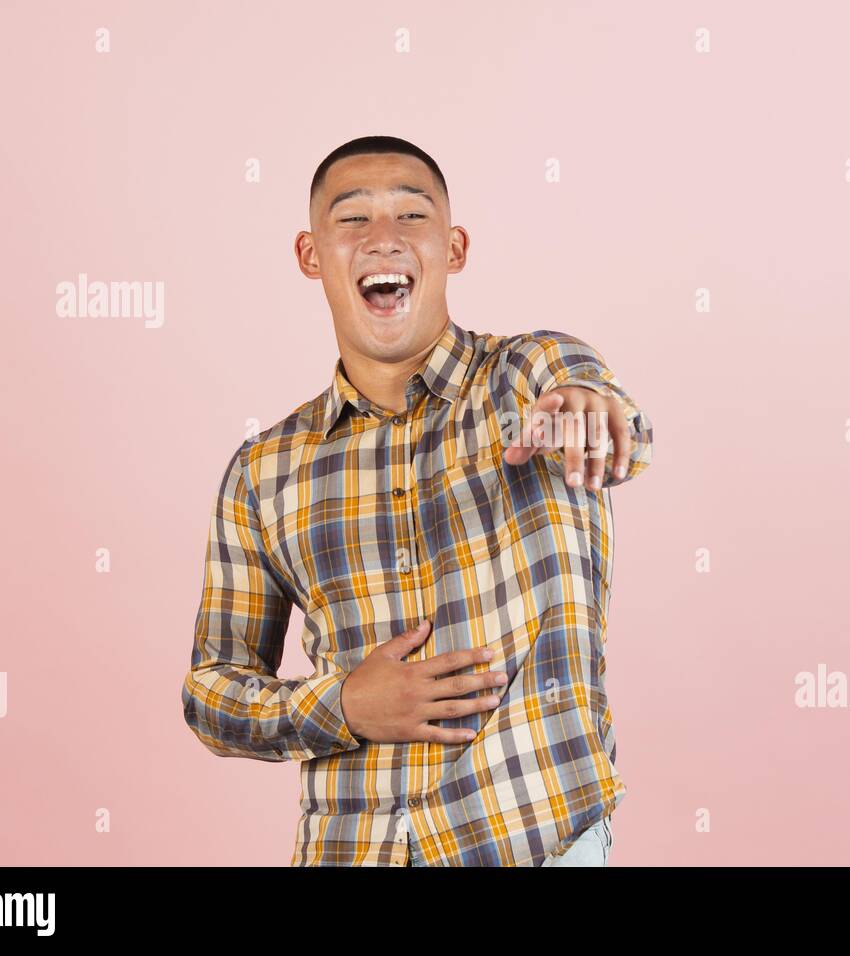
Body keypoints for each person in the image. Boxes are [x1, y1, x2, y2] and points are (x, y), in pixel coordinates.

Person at [181, 135, 653, 866]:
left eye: (411, 216)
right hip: (349, 847)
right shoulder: (263, 469)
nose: (382, 238)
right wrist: (340, 706)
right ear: (310, 255)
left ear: (454, 247)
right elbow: (212, 693)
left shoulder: (527, 374)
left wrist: (588, 409)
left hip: (531, 840)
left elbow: (608, 414)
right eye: (351, 220)